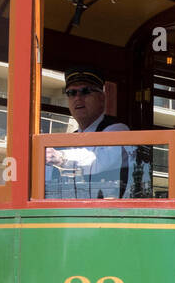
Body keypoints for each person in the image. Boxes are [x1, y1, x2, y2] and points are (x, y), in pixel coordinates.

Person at [45, 68, 131, 198]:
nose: (77, 98)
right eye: (71, 93)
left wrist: (61, 157)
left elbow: (97, 159)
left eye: (85, 91)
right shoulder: (70, 140)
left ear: (102, 98)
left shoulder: (117, 129)